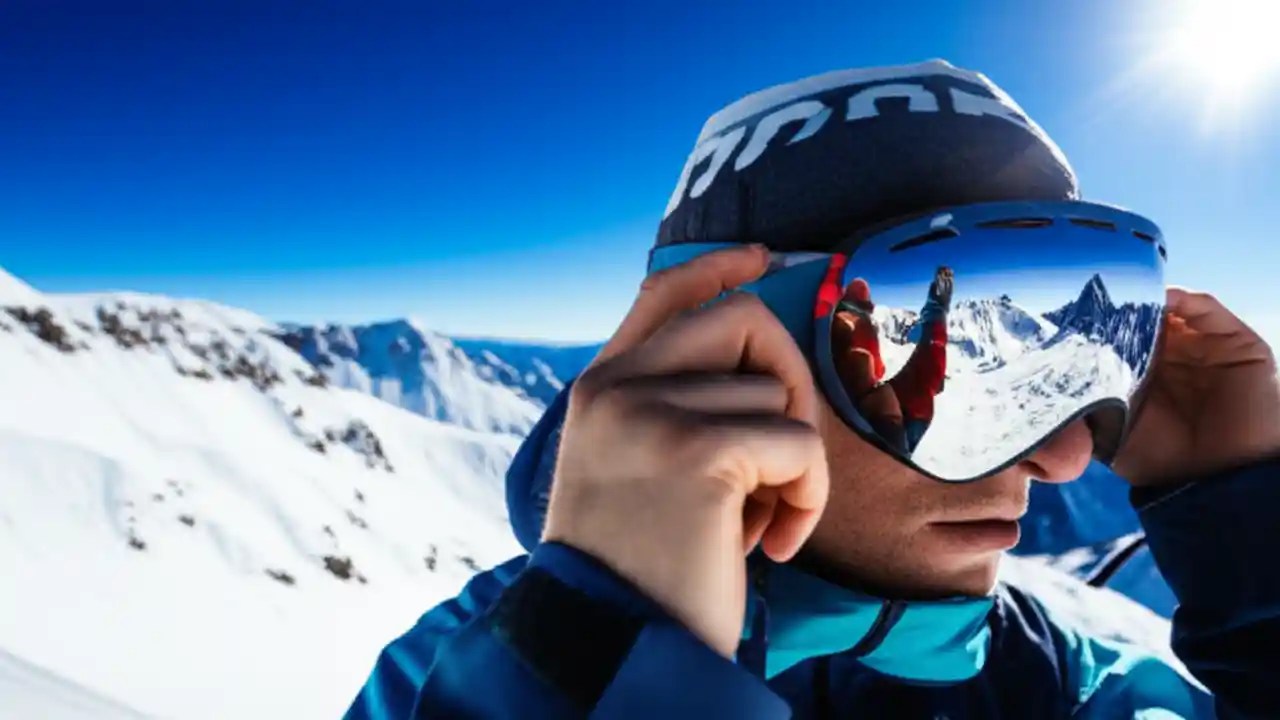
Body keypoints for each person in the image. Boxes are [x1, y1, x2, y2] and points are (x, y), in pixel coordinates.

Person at [346, 61, 1280, 719]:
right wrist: (592, 664)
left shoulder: (1071, 686)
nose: (1066, 455)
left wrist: (1250, 538)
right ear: (717, 354)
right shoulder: (468, 677)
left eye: (1068, 371)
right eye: (963, 365)